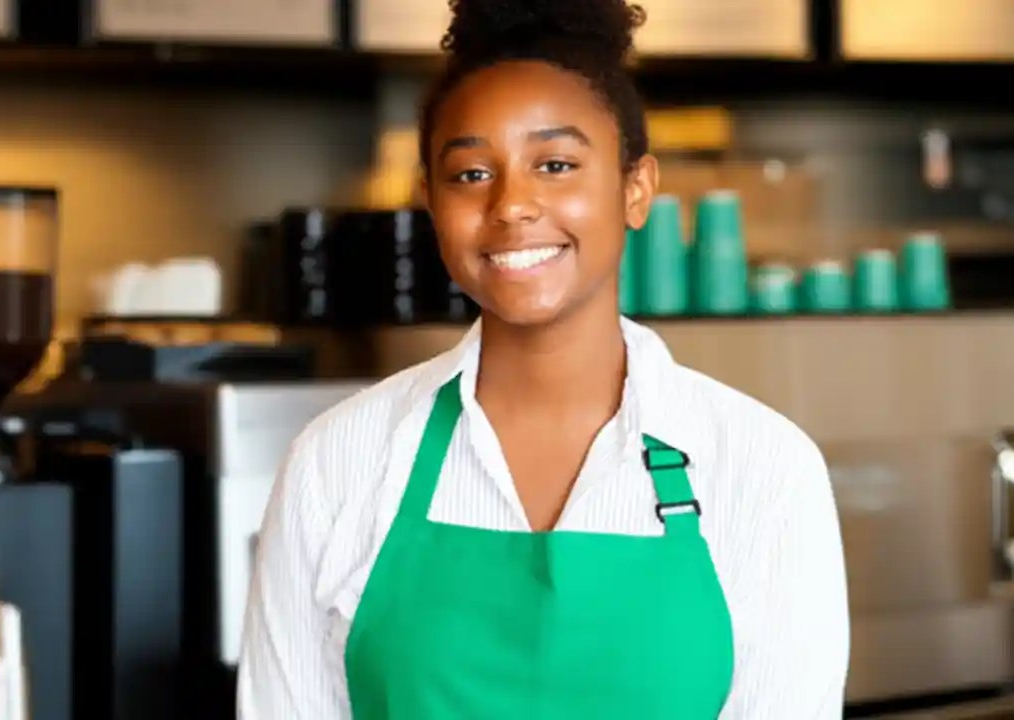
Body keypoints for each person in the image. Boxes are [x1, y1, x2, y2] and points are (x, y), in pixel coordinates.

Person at [237, 0, 849, 717]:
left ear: (636, 188)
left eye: (555, 164)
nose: (512, 205)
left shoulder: (763, 467)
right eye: (470, 174)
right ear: (429, 202)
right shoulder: (338, 462)